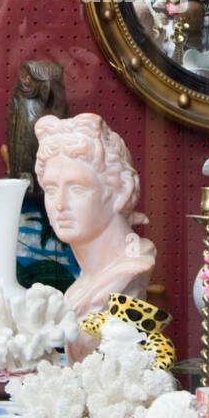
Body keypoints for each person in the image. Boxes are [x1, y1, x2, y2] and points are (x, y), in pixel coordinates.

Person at [34, 113, 155, 334]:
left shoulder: (127, 274)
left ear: (121, 191)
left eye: (77, 189)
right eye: (51, 189)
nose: (60, 204)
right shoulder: (81, 288)